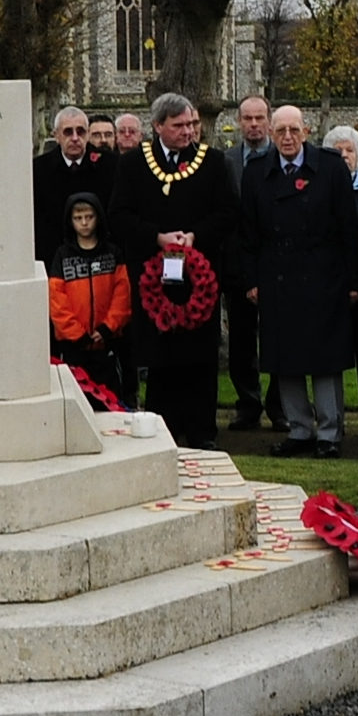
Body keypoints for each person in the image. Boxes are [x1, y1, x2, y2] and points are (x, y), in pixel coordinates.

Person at [106, 92, 244, 450]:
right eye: (179, 125)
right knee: (160, 354)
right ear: (158, 126)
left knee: (199, 355)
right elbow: (119, 215)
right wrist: (157, 237)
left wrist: (194, 236)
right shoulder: (133, 165)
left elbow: (229, 212)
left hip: (200, 276)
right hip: (152, 278)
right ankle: (163, 427)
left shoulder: (212, 162)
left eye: (191, 124)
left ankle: (202, 430)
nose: (188, 132)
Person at [241, 106, 358, 459]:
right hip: (276, 276)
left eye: (294, 130)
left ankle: (329, 432)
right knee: (285, 357)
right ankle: (299, 429)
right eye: (280, 130)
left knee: (325, 358)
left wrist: (354, 280)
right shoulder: (256, 172)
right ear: (271, 132)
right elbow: (247, 232)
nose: (287, 137)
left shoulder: (330, 167)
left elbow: (349, 229)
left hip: (324, 275)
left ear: (306, 131)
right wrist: (251, 279)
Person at [220, 94, 277, 433]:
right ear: (239, 122)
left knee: (279, 339)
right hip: (237, 268)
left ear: (268, 120)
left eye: (259, 118)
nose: (254, 125)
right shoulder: (225, 162)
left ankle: (280, 407)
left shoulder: (284, 157)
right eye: (247, 119)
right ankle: (248, 405)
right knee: (241, 342)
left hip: (277, 266)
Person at [321, 123, 358, 440]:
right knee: (331, 358)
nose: (344, 156)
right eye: (337, 151)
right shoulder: (322, 190)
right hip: (332, 284)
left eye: (349, 150)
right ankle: (334, 421)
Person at [46, 192, 134, 392]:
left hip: (107, 342)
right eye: (78, 218)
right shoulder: (62, 256)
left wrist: (107, 328)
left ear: (98, 218)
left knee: (110, 399)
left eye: (89, 217)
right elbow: (57, 300)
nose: (84, 223)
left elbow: (122, 295)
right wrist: (77, 334)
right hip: (73, 346)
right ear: (70, 222)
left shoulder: (113, 254)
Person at [31, 107, 104, 265]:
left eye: (80, 131)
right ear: (56, 135)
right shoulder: (37, 170)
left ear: (88, 134)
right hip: (53, 258)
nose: (75, 138)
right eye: (68, 132)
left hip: (100, 257)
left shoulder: (109, 165)